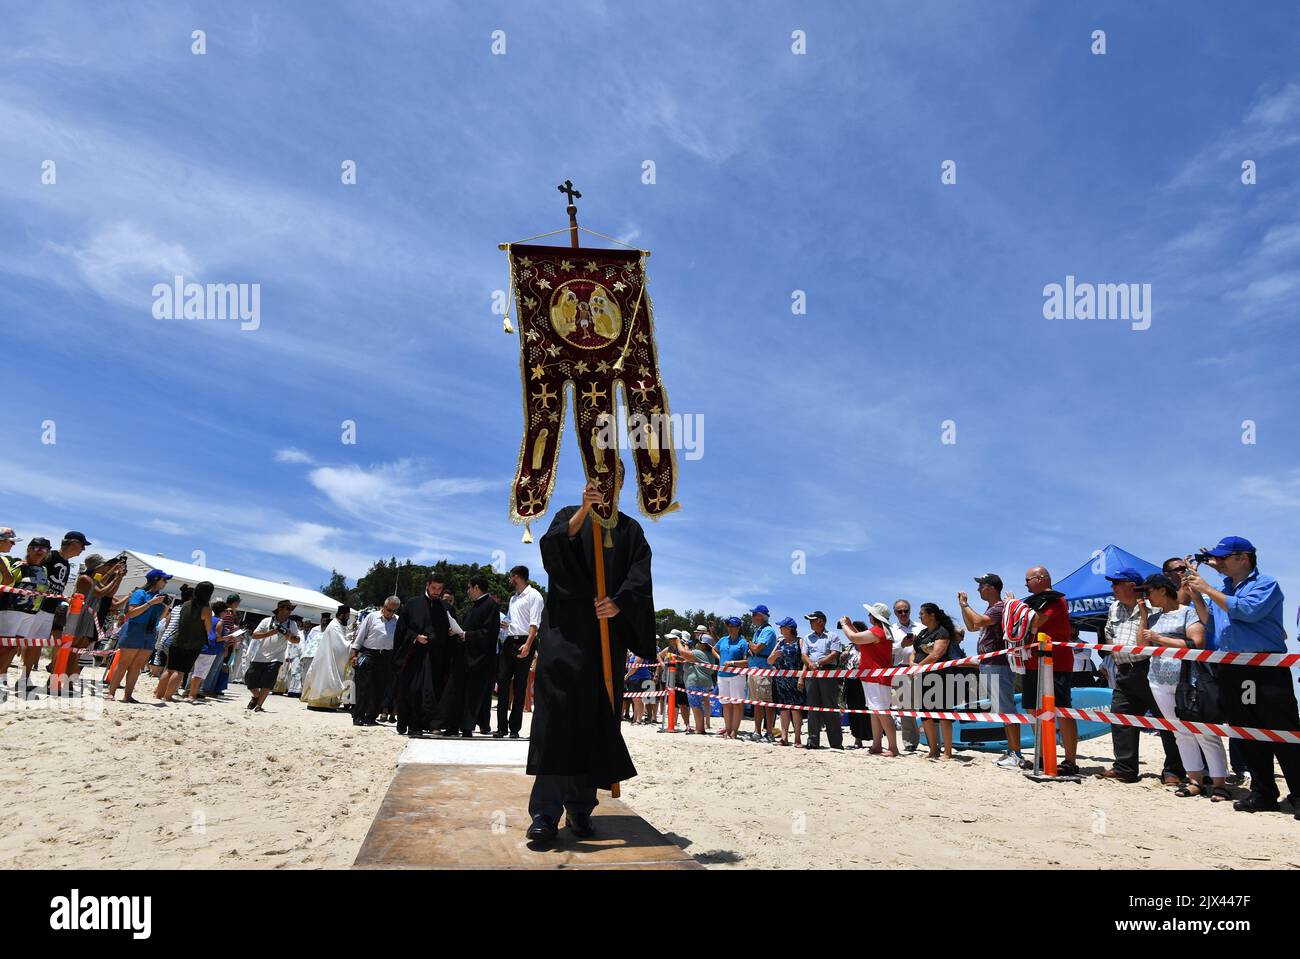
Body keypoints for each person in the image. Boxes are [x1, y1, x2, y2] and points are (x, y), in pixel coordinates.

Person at [525, 475, 655, 843]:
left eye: (611, 478)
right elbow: (552, 551)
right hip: (564, 637)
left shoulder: (630, 531)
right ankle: (546, 813)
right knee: (556, 722)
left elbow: (640, 577)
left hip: (604, 640)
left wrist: (619, 602)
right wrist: (585, 510)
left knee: (594, 722)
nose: (604, 485)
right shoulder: (569, 515)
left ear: (621, 483)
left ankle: (581, 810)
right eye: (597, 479)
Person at [1184, 537, 1299, 816]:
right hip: (1233, 668)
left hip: (1265, 667)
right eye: (1216, 558)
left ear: (1244, 558)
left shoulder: (1266, 583)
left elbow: (1247, 611)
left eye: (1224, 557)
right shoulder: (1223, 589)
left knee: (1283, 732)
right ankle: (1263, 792)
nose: (1218, 562)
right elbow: (1209, 621)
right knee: (1246, 732)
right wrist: (1197, 591)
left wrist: (1208, 588)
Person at [1135, 573, 1228, 800]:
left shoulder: (1188, 613)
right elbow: (1141, 645)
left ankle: (1219, 783)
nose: (1146, 596)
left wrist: (1160, 638)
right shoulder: (1154, 618)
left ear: (1163, 590)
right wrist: (1144, 617)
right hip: (1158, 679)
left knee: (1205, 732)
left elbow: (1196, 644)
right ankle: (1195, 780)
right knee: (1180, 732)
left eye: (1149, 591)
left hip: (1188, 681)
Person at [1095, 567, 1186, 785]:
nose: (1112, 588)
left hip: (1151, 668)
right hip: (1123, 670)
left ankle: (1174, 770)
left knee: (1166, 721)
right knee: (1121, 718)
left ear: (1132, 586)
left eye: (1117, 583)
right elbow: (1109, 635)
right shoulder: (1114, 607)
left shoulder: (1154, 608)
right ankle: (1125, 768)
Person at [1014, 566, 1080, 775]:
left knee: (1062, 710)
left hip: (1057, 663)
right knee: (1033, 709)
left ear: (1040, 578)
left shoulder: (1056, 600)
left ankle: (1070, 760)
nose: (1025, 584)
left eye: (1028, 579)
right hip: (1032, 662)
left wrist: (1015, 611)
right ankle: (1042, 756)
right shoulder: (1033, 602)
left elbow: (1037, 620)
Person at [958, 574, 1021, 768]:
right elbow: (971, 626)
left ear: (992, 588)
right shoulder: (992, 608)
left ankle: (1016, 753)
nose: (978, 590)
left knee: (1006, 708)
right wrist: (963, 607)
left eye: (981, 586)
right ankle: (1012, 751)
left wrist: (966, 605)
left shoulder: (1000, 608)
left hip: (999, 664)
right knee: (1002, 709)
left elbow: (977, 620)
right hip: (991, 663)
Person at [394, 576, 452, 737]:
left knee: (430, 691)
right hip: (414, 655)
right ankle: (407, 724)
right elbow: (401, 630)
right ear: (427, 586)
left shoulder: (444, 607)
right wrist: (415, 637)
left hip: (435, 657)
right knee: (413, 690)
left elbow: (449, 629)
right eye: (434, 588)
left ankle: (421, 726)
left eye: (440, 589)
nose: (437, 592)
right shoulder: (412, 604)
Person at [57, 552, 124, 688]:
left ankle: (69, 682)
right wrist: (115, 576)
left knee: (78, 652)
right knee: (71, 650)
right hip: (79, 616)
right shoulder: (85, 578)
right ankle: (57, 680)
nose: (106, 568)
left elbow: (109, 593)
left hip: (88, 617)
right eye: (104, 565)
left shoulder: (96, 579)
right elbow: (101, 592)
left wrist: (119, 577)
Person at [104, 569, 172, 701]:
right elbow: (131, 613)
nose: (166, 582)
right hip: (134, 630)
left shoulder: (159, 596)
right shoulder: (140, 593)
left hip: (150, 632)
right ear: (156, 580)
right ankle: (110, 693)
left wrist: (166, 606)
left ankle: (128, 696)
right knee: (124, 663)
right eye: (164, 580)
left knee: (137, 666)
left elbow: (160, 618)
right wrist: (150, 603)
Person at [840, 603, 898, 755]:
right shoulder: (879, 631)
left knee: (882, 712)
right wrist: (850, 625)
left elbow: (854, 637)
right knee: (875, 712)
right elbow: (858, 637)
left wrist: (845, 625)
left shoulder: (878, 631)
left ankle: (893, 747)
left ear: (875, 617)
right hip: (872, 677)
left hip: (877, 677)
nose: (869, 616)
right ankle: (877, 745)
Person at [0, 537, 52, 692]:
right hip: (11, 610)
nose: (40, 551)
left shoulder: (44, 570)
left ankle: (2, 676)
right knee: (4, 646)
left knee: (14, 647)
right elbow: (6, 585)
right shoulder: (18, 565)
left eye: (44, 549)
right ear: (28, 549)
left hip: (31, 612)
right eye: (36, 547)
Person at [912, 603, 963, 761]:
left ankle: (948, 752)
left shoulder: (942, 632)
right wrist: (912, 664)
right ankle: (933, 750)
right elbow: (914, 652)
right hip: (923, 677)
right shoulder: (921, 633)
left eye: (922, 613)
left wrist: (918, 666)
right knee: (926, 716)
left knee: (944, 716)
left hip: (941, 677)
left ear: (932, 615)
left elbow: (936, 654)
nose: (919, 616)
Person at [497, 566, 542, 739]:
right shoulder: (513, 598)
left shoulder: (534, 596)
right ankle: (501, 728)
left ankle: (514, 728)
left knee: (520, 686)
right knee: (502, 683)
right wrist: (507, 624)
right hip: (509, 641)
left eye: (511, 577)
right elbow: (516, 620)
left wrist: (528, 645)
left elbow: (534, 624)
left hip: (524, 641)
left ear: (517, 577)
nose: (509, 580)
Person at [154, 581, 214, 704]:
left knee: (169, 669)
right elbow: (208, 628)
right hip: (193, 644)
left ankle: (159, 694)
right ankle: (167, 696)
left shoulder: (185, 604)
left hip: (177, 640)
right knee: (179, 671)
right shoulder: (206, 609)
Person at [349, 597, 400, 725]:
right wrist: (354, 655)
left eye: (394, 610)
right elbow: (360, 637)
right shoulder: (372, 617)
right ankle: (358, 716)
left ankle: (371, 716)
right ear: (384, 606)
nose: (390, 613)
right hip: (370, 653)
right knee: (364, 686)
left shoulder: (398, 620)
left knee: (380, 688)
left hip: (387, 656)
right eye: (389, 609)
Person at [245, 600, 300, 712]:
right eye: (288, 608)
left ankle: (259, 705)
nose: (290, 611)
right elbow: (254, 635)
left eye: (291, 609)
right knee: (249, 679)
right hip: (260, 655)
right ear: (280, 609)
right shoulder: (266, 621)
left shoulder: (292, 624)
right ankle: (256, 696)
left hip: (277, 656)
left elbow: (297, 640)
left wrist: (289, 636)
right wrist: (269, 633)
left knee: (268, 682)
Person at [800, 610, 844, 750]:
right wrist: (810, 665)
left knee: (830, 707)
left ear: (821, 621)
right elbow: (804, 655)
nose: (810, 623)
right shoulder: (807, 637)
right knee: (812, 708)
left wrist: (818, 664)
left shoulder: (833, 636)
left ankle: (836, 743)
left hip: (828, 673)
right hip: (812, 673)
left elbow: (834, 654)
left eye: (812, 620)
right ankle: (813, 741)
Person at [767, 617, 805, 745]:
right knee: (783, 709)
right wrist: (774, 656)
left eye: (782, 626)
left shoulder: (800, 642)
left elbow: (805, 660)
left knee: (795, 709)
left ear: (789, 628)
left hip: (795, 679)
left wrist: (801, 677)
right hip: (781, 680)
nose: (780, 628)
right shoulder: (780, 643)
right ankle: (784, 738)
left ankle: (797, 738)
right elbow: (769, 661)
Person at [891, 599, 923, 752]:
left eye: (906, 610)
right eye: (899, 611)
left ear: (910, 611)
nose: (903, 614)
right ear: (895, 613)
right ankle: (910, 742)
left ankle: (934, 740)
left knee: (927, 704)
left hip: (921, 668)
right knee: (905, 708)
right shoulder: (890, 629)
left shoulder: (921, 626)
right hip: (900, 669)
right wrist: (901, 644)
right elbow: (887, 651)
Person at [745, 605, 779, 742]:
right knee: (757, 703)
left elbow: (757, 648)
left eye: (754, 614)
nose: (752, 617)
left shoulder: (768, 631)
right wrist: (751, 647)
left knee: (767, 703)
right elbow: (753, 650)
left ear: (761, 616)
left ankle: (769, 733)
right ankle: (757, 732)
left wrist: (749, 644)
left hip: (763, 670)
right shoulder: (759, 631)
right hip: (755, 668)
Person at [714, 617, 749, 740]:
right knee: (726, 704)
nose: (730, 628)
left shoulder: (743, 642)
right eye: (728, 625)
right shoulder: (723, 640)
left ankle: (734, 731)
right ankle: (727, 730)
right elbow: (714, 649)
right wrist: (721, 659)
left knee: (737, 704)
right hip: (722, 675)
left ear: (738, 627)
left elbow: (746, 662)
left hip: (737, 676)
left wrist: (732, 662)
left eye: (732, 625)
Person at [624, 650, 653, 724]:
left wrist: (627, 675)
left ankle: (638, 719)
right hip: (634, 678)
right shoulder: (633, 653)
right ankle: (635, 718)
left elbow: (635, 666)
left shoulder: (640, 653)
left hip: (640, 678)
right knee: (635, 700)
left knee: (638, 699)